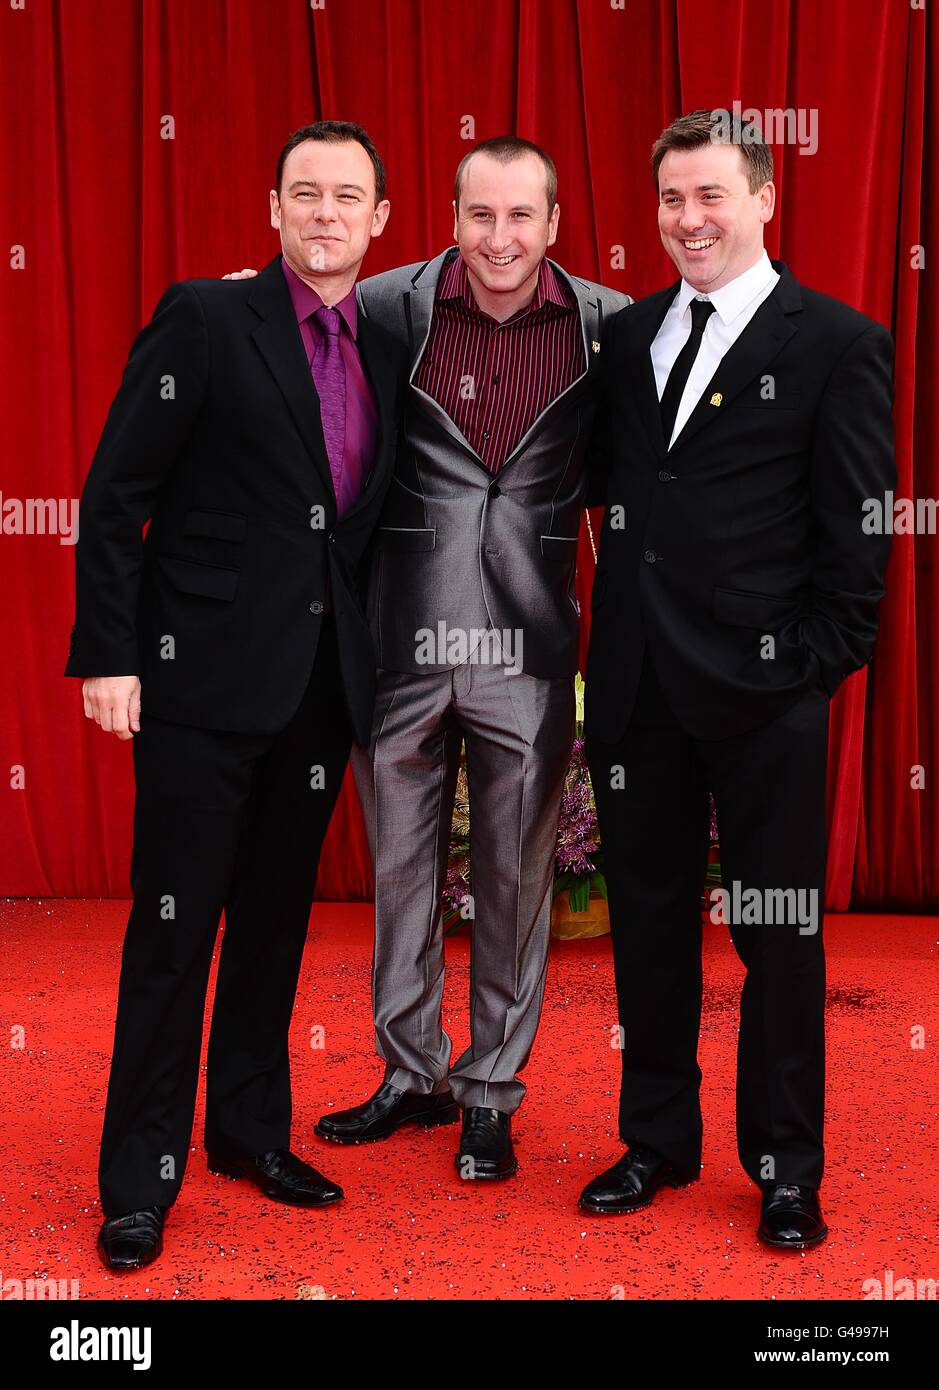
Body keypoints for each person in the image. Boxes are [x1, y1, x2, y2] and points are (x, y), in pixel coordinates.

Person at [225, 136, 631, 1179]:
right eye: (479, 215)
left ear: (552, 224)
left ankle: (490, 1090)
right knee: (400, 874)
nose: (499, 238)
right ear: (450, 217)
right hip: (397, 639)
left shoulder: (608, 324)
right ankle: (412, 1073)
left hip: (528, 648)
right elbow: (296, 366)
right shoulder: (385, 306)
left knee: (514, 878)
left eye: (520, 216)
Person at [66, 120, 407, 1272]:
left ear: (379, 219)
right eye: (304, 193)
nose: (325, 213)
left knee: (272, 926)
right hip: (198, 684)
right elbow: (115, 494)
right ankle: (138, 1179)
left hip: (318, 693)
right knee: (175, 933)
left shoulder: (383, 346)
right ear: (273, 209)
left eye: (346, 195)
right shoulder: (206, 320)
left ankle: (250, 1133)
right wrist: (110, 656)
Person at [579, 109, 895, 1248]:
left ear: (764, 198)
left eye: (710, 194)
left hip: (766, 696)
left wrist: (807, 669)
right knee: (647, 926)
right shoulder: (629, 335)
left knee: (778, 938)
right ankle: (656, 1140)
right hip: (637, 689)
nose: (688, 219)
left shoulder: (838, 344)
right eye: (671, 198)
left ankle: (784, 1166)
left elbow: (859, 533)